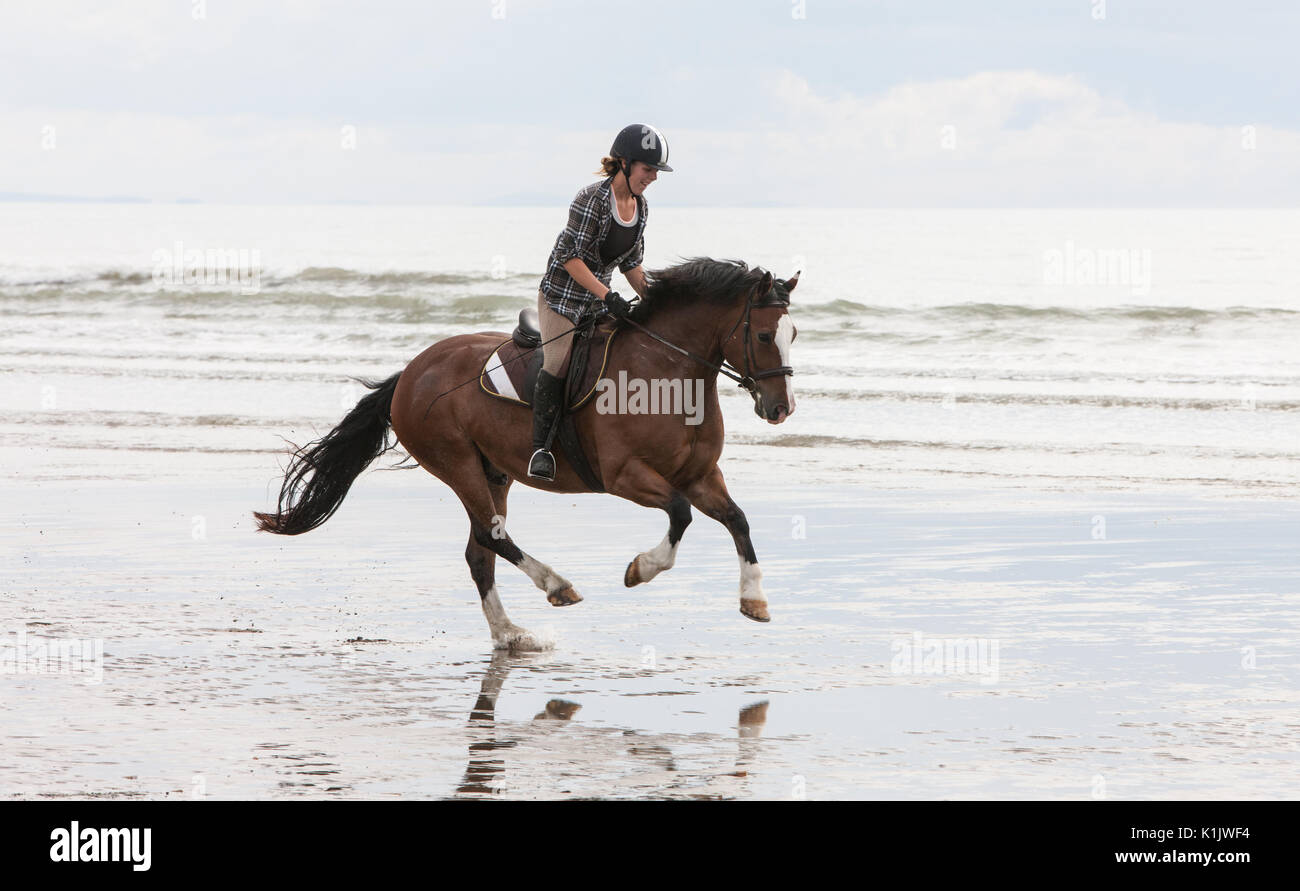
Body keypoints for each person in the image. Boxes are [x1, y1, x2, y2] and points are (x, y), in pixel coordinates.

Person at [528, 123, 672, 481]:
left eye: (656, 171)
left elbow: (632, 264)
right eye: (648, 169)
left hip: (597, 302)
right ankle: (540, 448)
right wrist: (608, 295)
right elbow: (571, 259)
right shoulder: (590, 199)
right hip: (562, 298)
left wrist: (655, 302)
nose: (653, 177)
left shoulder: (641, 206)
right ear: (624, 163)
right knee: (559, 361)